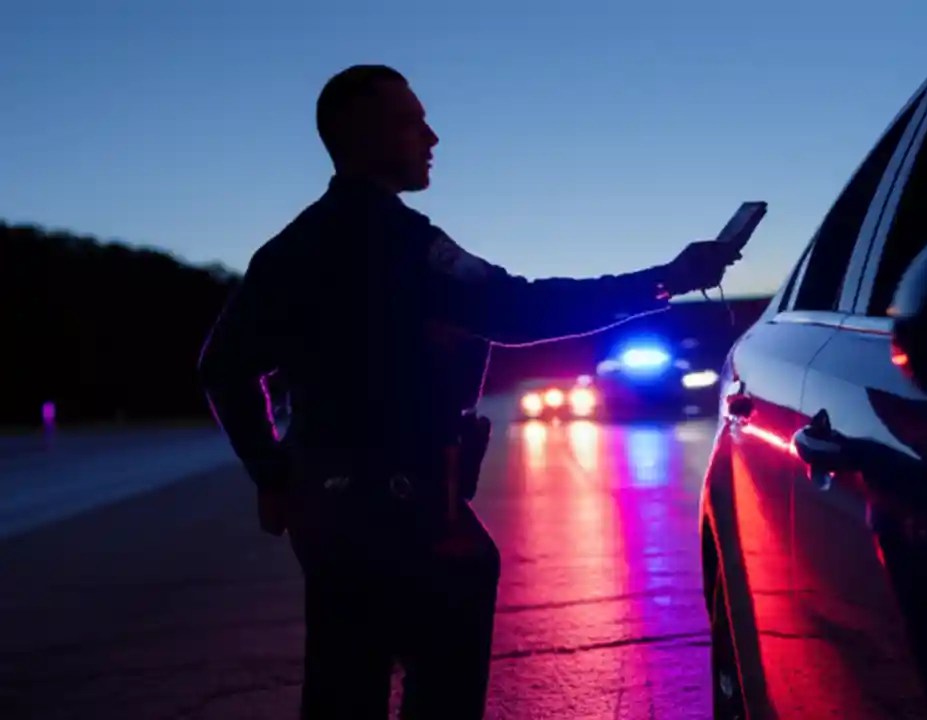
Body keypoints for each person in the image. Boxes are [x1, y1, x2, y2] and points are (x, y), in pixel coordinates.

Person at [197, 64, 740, 719]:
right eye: (409, 121)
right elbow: (523, 310)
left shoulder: (288, 251)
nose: (431, 137)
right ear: (357, 133)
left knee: (343, 687)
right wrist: (669, 278)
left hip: (329, 514)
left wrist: (274, 473)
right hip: (412, 511)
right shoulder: (403, 245)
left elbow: (222, 365)